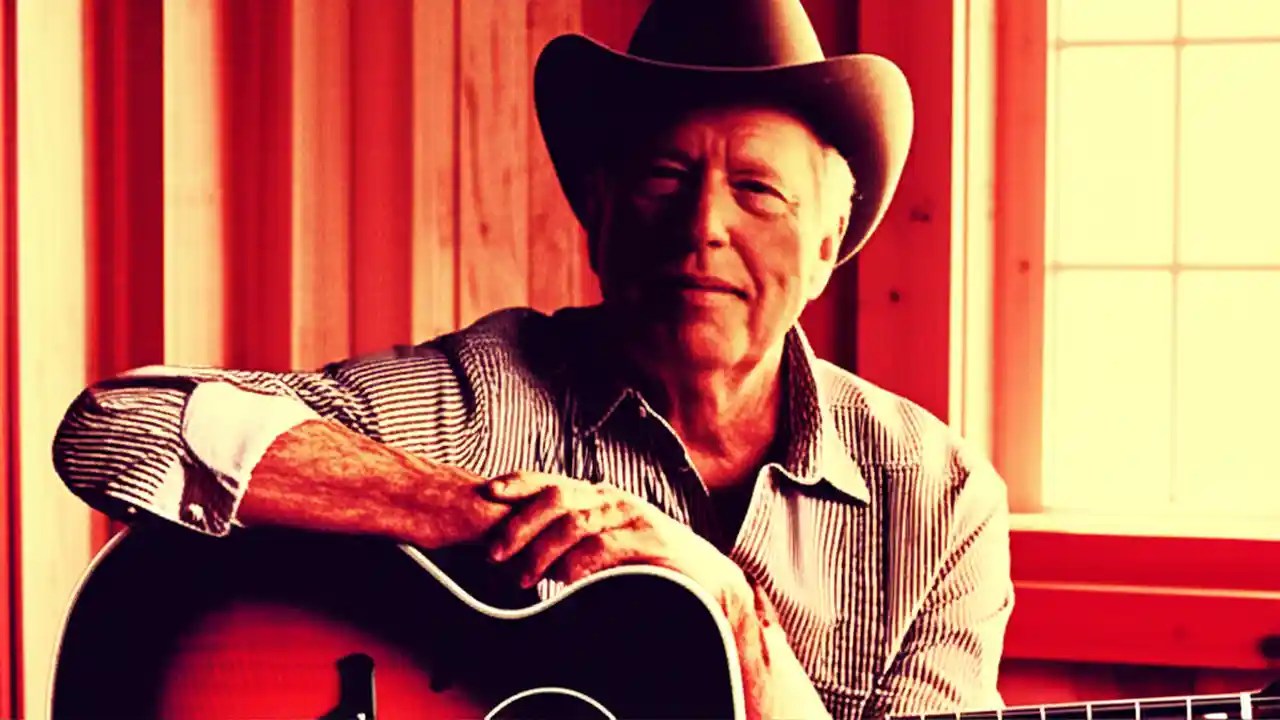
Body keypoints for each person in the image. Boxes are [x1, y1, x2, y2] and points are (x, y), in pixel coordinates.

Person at [52, 1, 1014, 718]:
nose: (703, 226)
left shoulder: (941, 502)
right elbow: (117, 431)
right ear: (598, 210)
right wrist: (463, 512)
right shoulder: (490, 393)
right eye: (665, 177)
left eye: (759, 190)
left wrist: (728, 607)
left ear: (828, 243)